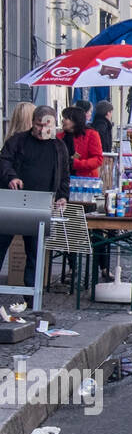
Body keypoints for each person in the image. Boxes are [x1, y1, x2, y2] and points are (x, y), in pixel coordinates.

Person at [0, 106, 70, 297]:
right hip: (14, 202)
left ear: (53, 125)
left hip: (41, 204)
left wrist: (63, 196)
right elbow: (4, 161)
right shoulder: (18, 141)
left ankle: (31, 297)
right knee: (1, 244)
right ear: (32, 123)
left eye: (45, 126)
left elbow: (64, 175)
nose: (41, 130)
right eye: (38, 125)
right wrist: (11, 177)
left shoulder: (58, 146)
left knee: (35, 252)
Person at [60, 105, 103, 178]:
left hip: (84, 181)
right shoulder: (59, 137)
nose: (63, 120)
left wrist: (76, 164)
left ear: (75, 121)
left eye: (66, 118)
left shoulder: (91, 134)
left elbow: (97, 159)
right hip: (62, 178)